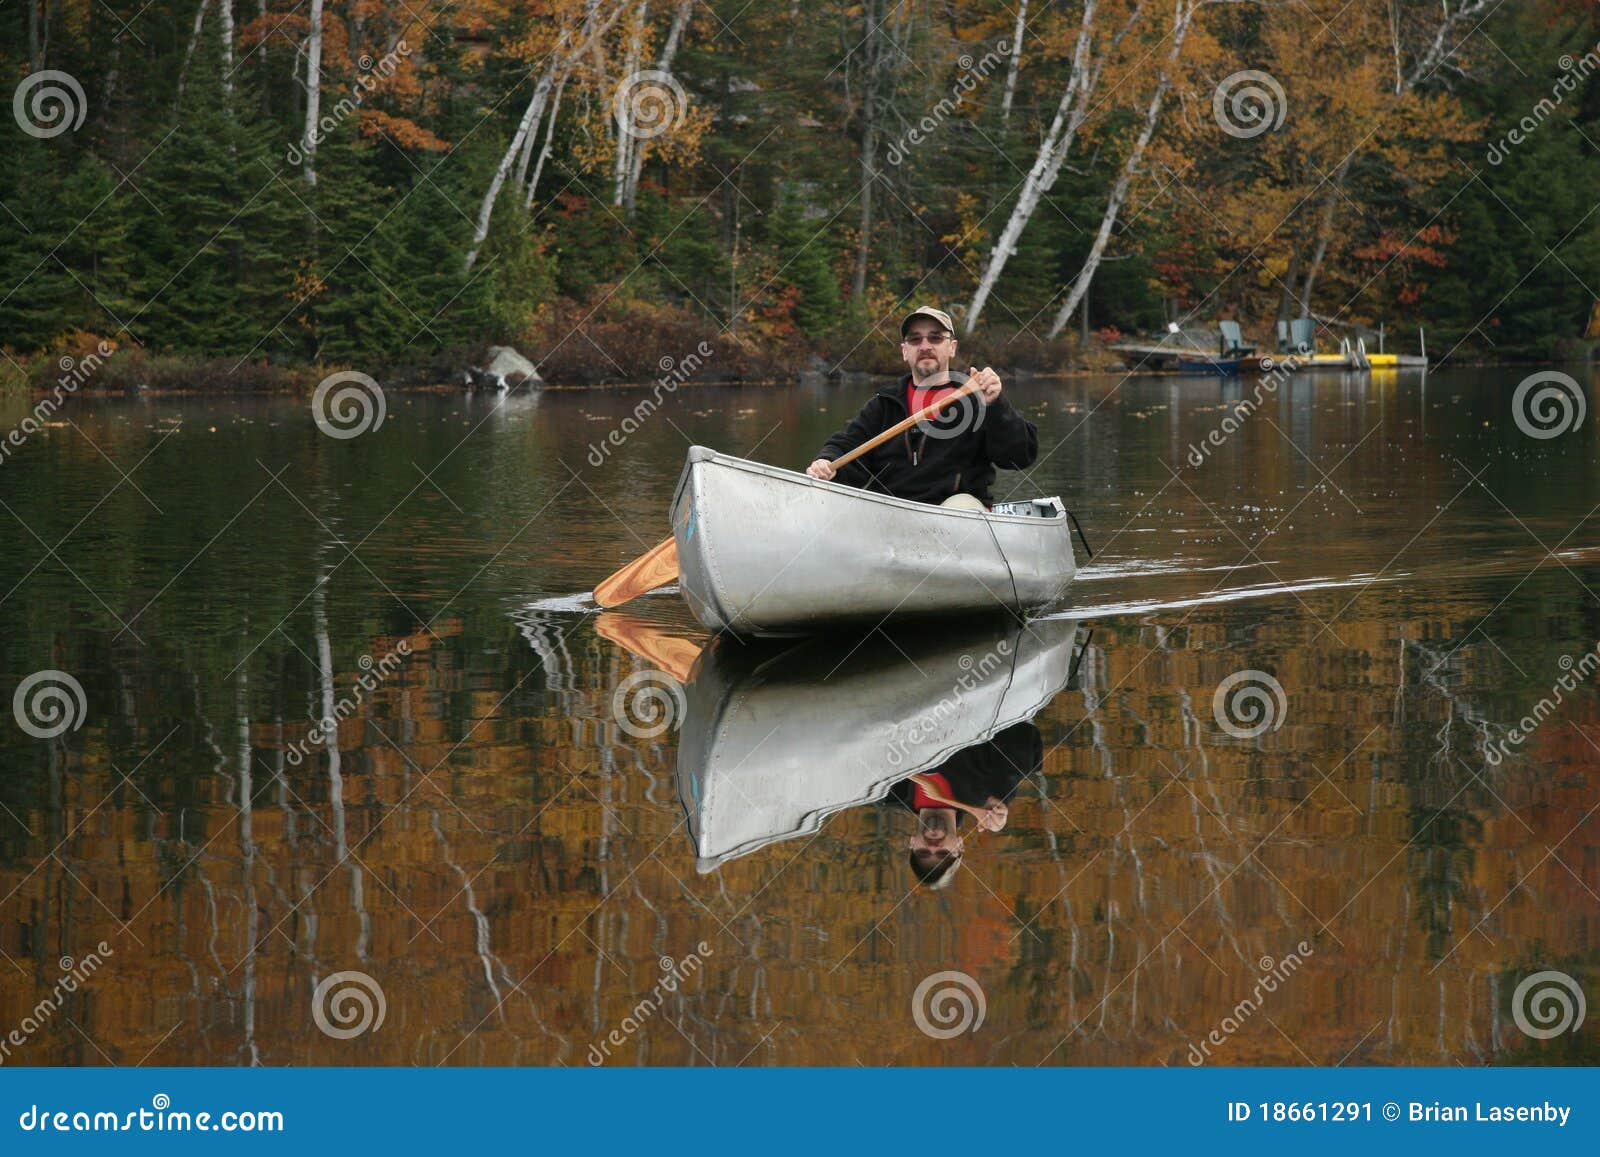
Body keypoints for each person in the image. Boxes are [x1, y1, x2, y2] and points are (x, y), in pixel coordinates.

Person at [805, 306, 1038, 510]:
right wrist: (827, 462)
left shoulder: (979, 400)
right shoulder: (884, 404)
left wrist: (997, 405)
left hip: (961, 520)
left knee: (958, 506)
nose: (925, 346)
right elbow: (848, 447)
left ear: (952, 347)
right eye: (915, 340)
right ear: (905, 351)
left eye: (935, 338)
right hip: (892, 517)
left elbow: (1020, 456)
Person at [886, 721, 1044, 889]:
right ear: (960, 846)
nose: (933, 847)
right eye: (943, 853)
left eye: (923, 852)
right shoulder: (984, 790)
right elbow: (1024, 734)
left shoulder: (888, 793)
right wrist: (1000, 794)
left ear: (912, 843)